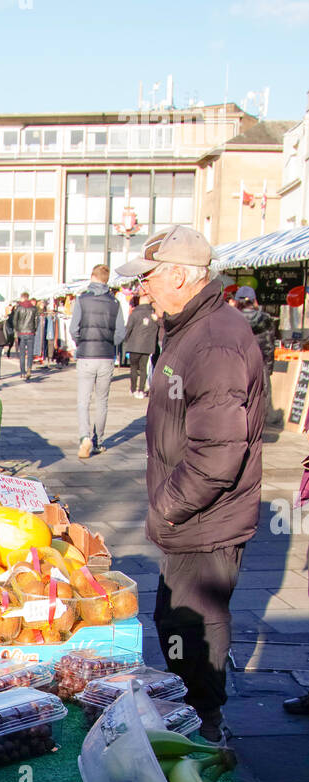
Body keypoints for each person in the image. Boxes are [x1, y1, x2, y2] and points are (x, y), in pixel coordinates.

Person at [117, 225, 265, 744]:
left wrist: (167, 508)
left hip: (205, 518)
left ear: (181, 277)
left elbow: (218, 453)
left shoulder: (216, 341)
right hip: (192, 517)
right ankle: (193, 715)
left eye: (150, 278)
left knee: (194, 627)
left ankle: (204, 731)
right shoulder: (190, 328)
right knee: (176, 621)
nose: (143, 289)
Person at [70, 263, 126, 459]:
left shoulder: (82, 300)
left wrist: (81, 342)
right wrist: (109, 344)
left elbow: (73, 329)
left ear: (92, 277)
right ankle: (98, 441)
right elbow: (121, 332)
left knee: (83, 401)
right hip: (106, 356)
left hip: (86, 354)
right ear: (106, 279)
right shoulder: (115, 303)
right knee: (102, 401)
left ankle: (84, 436)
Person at [234, 286, 278, 423]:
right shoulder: (266, 320)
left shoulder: (231, 319)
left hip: (237, 367)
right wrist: (268, 370)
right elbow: (269, 347)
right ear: (254, 301)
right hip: (260, 366)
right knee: (259, 402)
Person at [123, 292, 160, 399]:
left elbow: (128, 328)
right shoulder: (153, 314)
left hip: (135, 344)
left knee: (133, 368)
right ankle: (141, 390)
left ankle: (133, 389)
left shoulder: (135, 313)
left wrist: (126, 339)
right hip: (148, 345)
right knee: (144, 368)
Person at [13, 291, 38, 380]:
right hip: (31, 332)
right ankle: (29, 369)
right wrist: (34, 330)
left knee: (22, 353)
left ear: (22, 297)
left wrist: (16, 330)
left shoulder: (19, 308)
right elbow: (36, 321)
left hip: (21, 333)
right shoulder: (34, 308)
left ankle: (22, 372)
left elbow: (15, 320)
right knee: (30, 353)